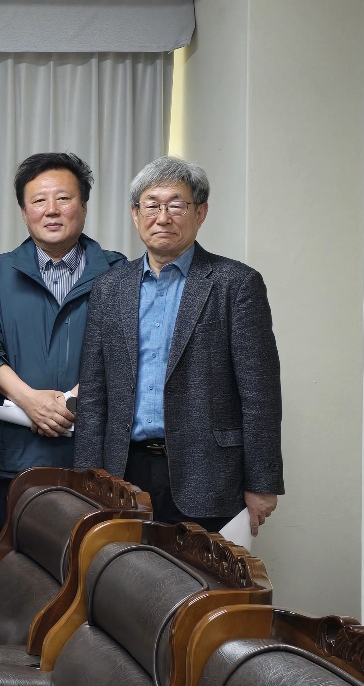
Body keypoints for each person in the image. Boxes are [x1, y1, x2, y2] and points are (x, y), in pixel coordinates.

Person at [75, 155, 284, 535]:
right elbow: (94, 393)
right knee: (125, 584)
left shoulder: (235, 284)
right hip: (124, 472)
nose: (163, 217)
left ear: (200, 212)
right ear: (135, 214)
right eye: (152, 205)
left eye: (177, 205)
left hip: (210, 472)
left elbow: (260, 393)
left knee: (205, 590)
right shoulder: (110, 288)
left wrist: (262, 482)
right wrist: (88, 478)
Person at [0, 153, 125, 535]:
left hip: (94, 453)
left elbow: (125, 350)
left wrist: (73, 400)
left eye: (64, 198)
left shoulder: (117, 271)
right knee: (17, 569)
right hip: (16, 454)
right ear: (24, 213)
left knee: (91, 569)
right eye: (39, 201)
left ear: (84, 206)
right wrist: (30, 400)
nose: (52, 210)